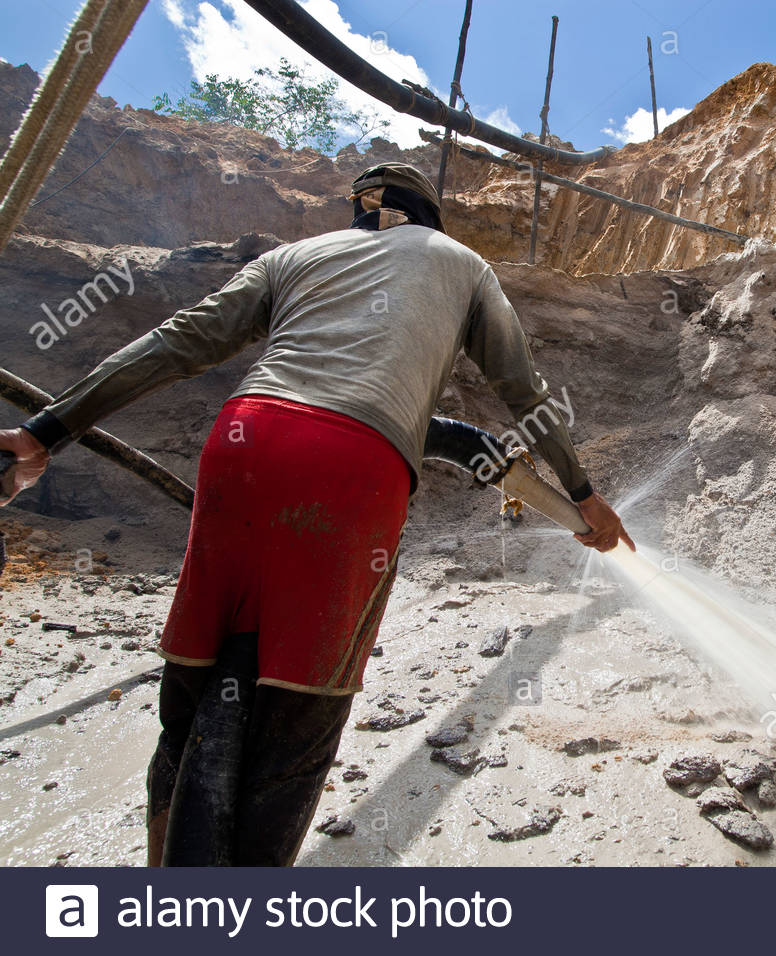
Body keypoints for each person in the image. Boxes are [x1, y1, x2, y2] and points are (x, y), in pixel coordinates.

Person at [0, 162, 633, 865]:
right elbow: (523, 387)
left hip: (245, 441)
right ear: (430, 217)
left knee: (188, 697)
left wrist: (45, 431)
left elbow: (177, 343)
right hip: (356, 469)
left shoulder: (292, 257)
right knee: (298, 719)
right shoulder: (461, 263)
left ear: (357, 212)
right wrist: (580, 492)